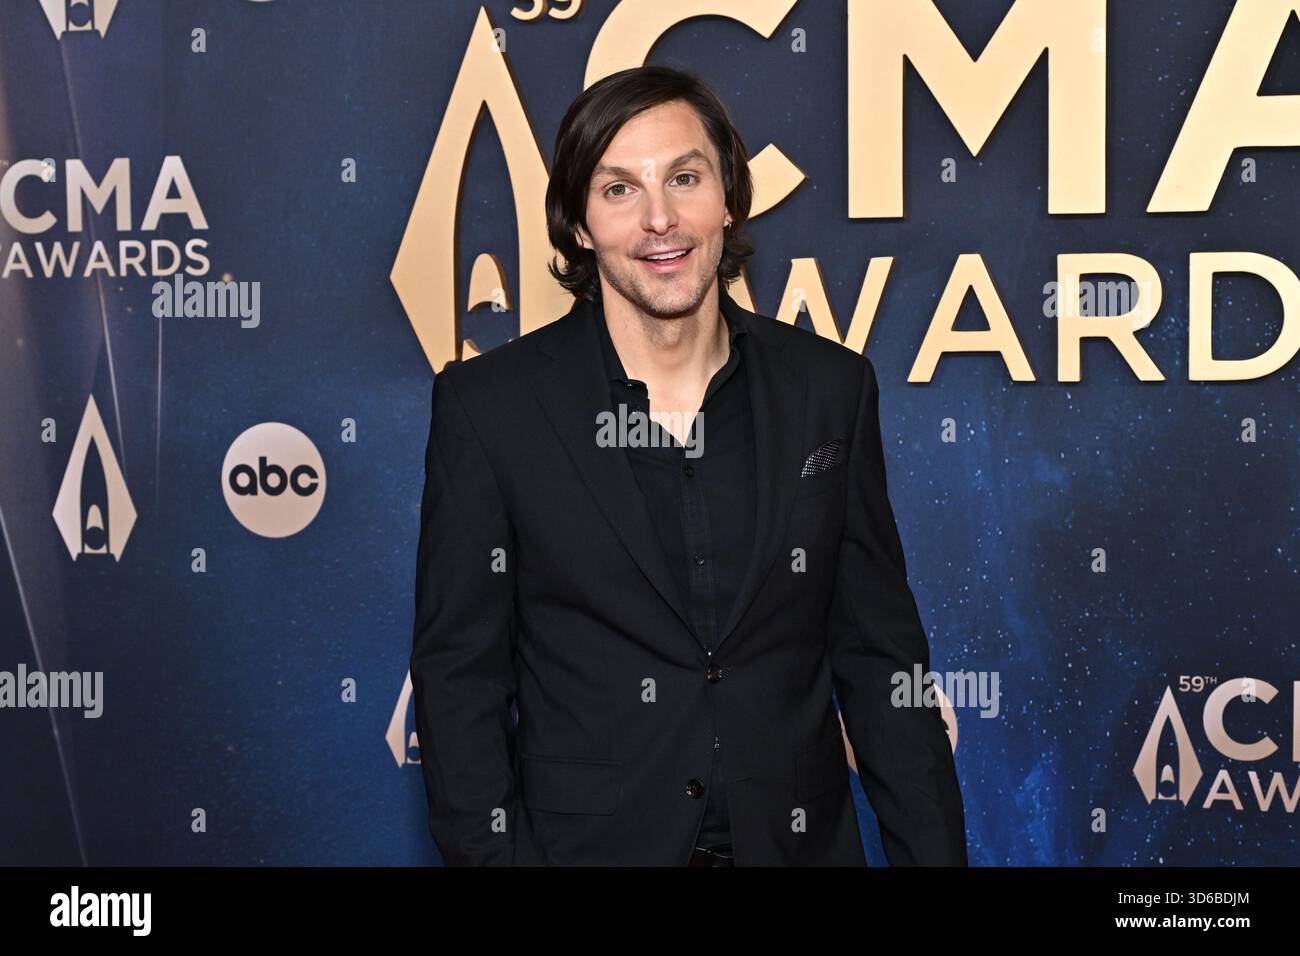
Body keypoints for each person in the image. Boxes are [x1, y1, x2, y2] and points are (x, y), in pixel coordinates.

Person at [410, 64, 967, 866]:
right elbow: (459, 679)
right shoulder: (490, 410)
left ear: (730, 198)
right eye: (618, 190)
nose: (660, 219)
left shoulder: (829, 391)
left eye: (685, 177)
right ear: (576, 225)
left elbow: (882, 665)